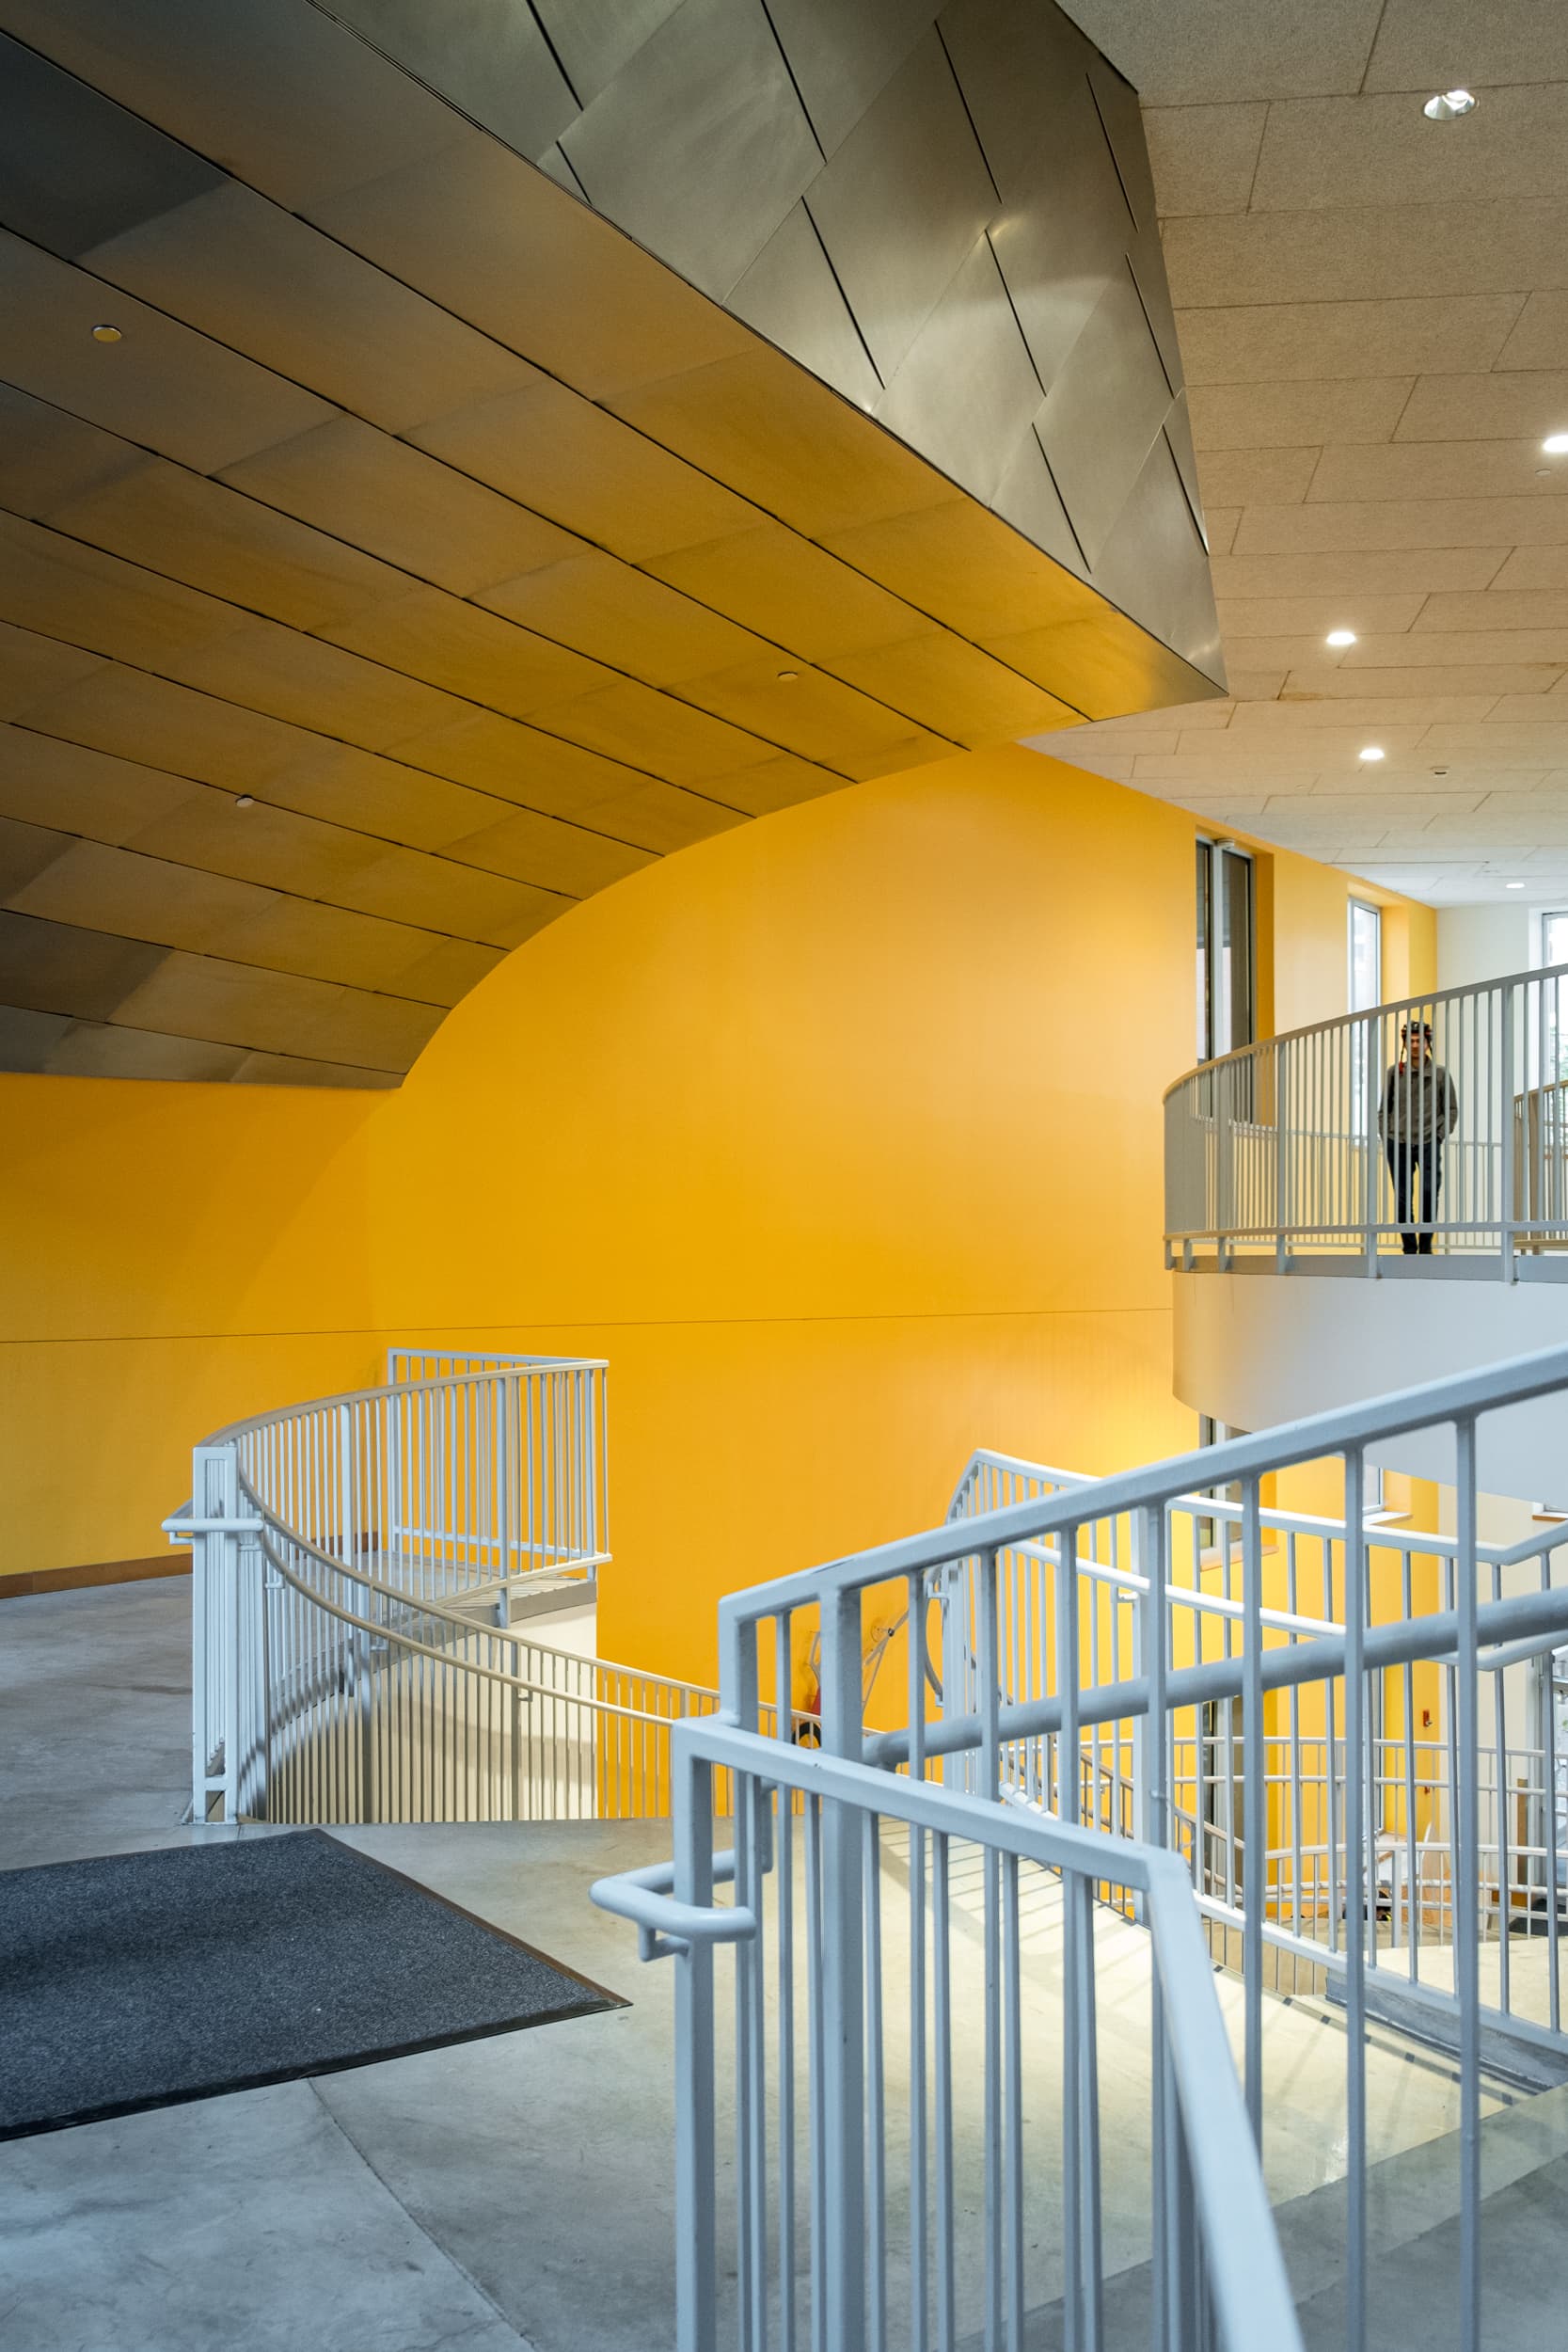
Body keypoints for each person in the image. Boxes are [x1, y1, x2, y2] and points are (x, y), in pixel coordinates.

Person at [1378, 1020, 1458, 1254]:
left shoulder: (1440, 1074)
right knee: (1402, 1197)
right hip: (1398, 1143)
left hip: (1428, 1142)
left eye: (1419, 1040)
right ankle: (1409, 1248)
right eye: (1410, 1040)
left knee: (1429, 1193)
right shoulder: (1395, 1072)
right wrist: (1387, 1136)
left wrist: (1440, 1135)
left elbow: (1451, 1109)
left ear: (1427, 1043)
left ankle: (1425, 1247)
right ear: (1405, 1043)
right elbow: (1384, 1109)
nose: (1414, 1045)